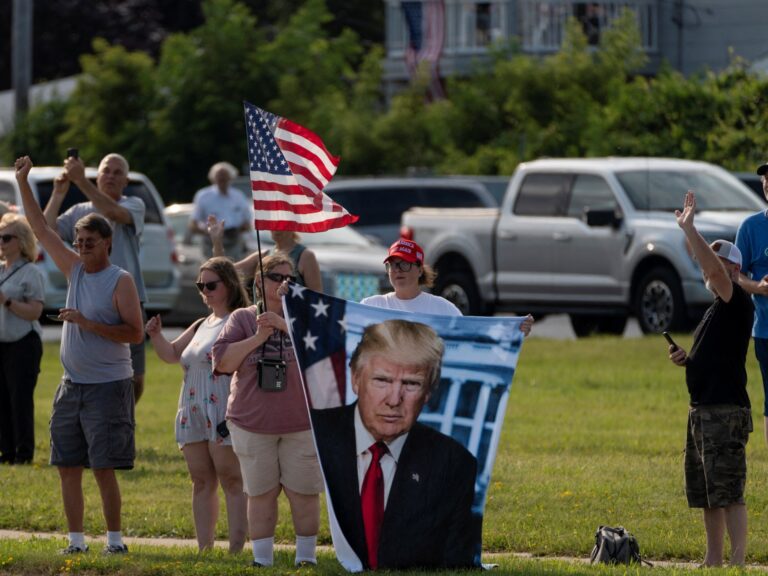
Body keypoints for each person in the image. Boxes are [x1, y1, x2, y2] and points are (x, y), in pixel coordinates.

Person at [15, 155, 144, 555]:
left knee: (103, 469)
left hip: (108, 386)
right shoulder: (73, 268)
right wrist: (23, 181)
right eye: (79, 242)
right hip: (71, 386)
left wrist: (88, 324)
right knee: (67, 466)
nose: (83, 248)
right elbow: (38, 227)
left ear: (108, 243)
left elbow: (135, 333)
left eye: (91, 242)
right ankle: (75, 543)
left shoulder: (119, 280)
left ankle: (115, 542)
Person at [311, 319, 479, 570]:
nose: (394, 399)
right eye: (382, 380)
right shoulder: (317, 435)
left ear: (429, 392)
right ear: (356, 379)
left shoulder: (454, 463)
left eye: (411, 384)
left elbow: (454, 560)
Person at [211, 254, 322, 568]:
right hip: (252, 423)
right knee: (260, 493)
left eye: (290, 279)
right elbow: (223, 363)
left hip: (300, 423)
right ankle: (262, 560)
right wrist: (258, 337)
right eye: (276, 277)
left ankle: (306, 558)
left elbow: (323, 357)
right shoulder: (242, 319)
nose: (284, 283)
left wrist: (284, 326)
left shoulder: (306, 317)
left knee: (304, 493)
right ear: (259, 281)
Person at [668, 190, 753, 567]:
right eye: (707, 264)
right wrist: (689, 361)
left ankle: (737, 563)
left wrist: (690, 230)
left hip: (724, 411)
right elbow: (714, 356)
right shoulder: (717, 308)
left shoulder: (737, 301)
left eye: (716, 265)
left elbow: (715, 272)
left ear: (733, 271)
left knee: (729, 491)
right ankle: (713, 560)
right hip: (703, 409)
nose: (707, 269)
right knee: (707, 492)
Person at [145, 257, 249, 552]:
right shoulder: (202, 322)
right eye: (200, 285)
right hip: (191, 408)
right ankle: (205, 548)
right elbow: (172, 354)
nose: (205, 290)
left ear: (228, 285)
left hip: (221, 408)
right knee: (201, 481)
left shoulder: (240, 319)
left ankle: (236, 549)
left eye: (211, 285)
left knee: (231, 479)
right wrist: (155, 335)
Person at [43, 152, 148, 404]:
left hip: (128, 297)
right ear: (97, 176)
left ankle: (125, 419)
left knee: (136, 375)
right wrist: (58, 194)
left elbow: (113, 213)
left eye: (117, 172)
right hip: (89, 295)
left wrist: (81, 182)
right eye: (106, 170)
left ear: (126, 181)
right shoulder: (80, 210)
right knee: (93, 362)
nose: (110, 176)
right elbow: (46, 233)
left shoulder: (134, 204)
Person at [361, 237, 534, 334]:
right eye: (392, 265)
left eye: (404, 264)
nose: (398, 270)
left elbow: (471, 335)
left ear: (420, 270)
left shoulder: (442, 308)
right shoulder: (371, 305)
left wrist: (515, 329)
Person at [0, 214, 44, 465]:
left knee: (20, 400)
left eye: (7, 237)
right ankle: (6, 452)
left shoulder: (31, 273)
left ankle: (24, 454)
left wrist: (6, 301)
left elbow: (35, 311)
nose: (1, 242)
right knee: (2, 399)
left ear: (22, 241)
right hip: (1, 343)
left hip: (23, 343)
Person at [736, 160, 768, 446]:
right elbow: (736, 275)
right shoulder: (751, 227)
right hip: (765, 331)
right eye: (766, 178)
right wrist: (758, 286)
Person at [208, 216, 322, 294]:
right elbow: (225, 272)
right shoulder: (263, 255)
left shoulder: (305, 256)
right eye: (273, 223)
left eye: (281, 223)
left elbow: (317, 298)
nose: (276, 228)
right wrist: (217, 242)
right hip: (264, 322)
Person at [190, 162, 252, 261]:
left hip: (234, 244)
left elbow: (247, 222)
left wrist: (237, 230)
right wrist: (209, 232)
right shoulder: (203, 196)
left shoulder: (239, 196)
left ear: (231, 177)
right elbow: (193, 224)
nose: (222, 179)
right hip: (211, 244)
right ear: (213, 178)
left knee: (235, 272)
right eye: (219, 176)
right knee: (214, 272)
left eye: (225, 176)